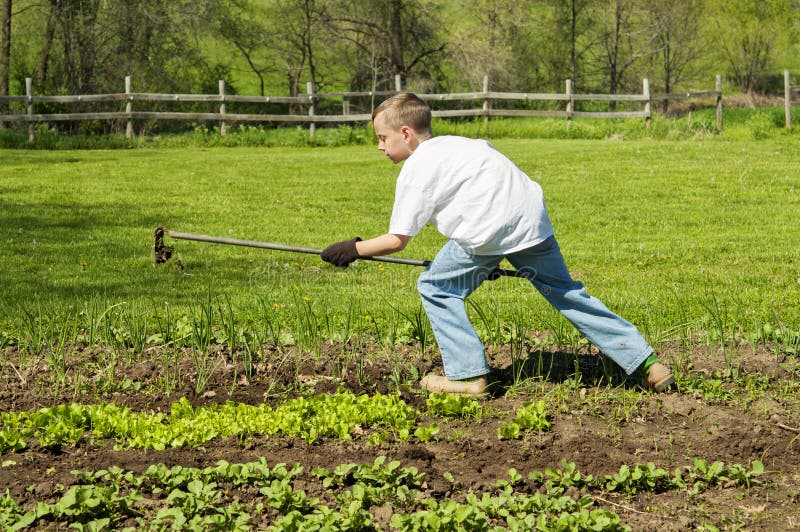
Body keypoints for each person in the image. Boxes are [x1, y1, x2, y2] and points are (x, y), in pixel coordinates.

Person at [321, 92, 675, 396]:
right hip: (530, 221)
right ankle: (647, 364)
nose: (380, 146)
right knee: (566, 293)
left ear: (406, 133)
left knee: (437, 288)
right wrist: (489, 260)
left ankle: (469, 377)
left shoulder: (417, 168)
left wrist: (352, 249)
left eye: (382, 137)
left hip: (488, 231)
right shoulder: (461, 144)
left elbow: (397, 240)